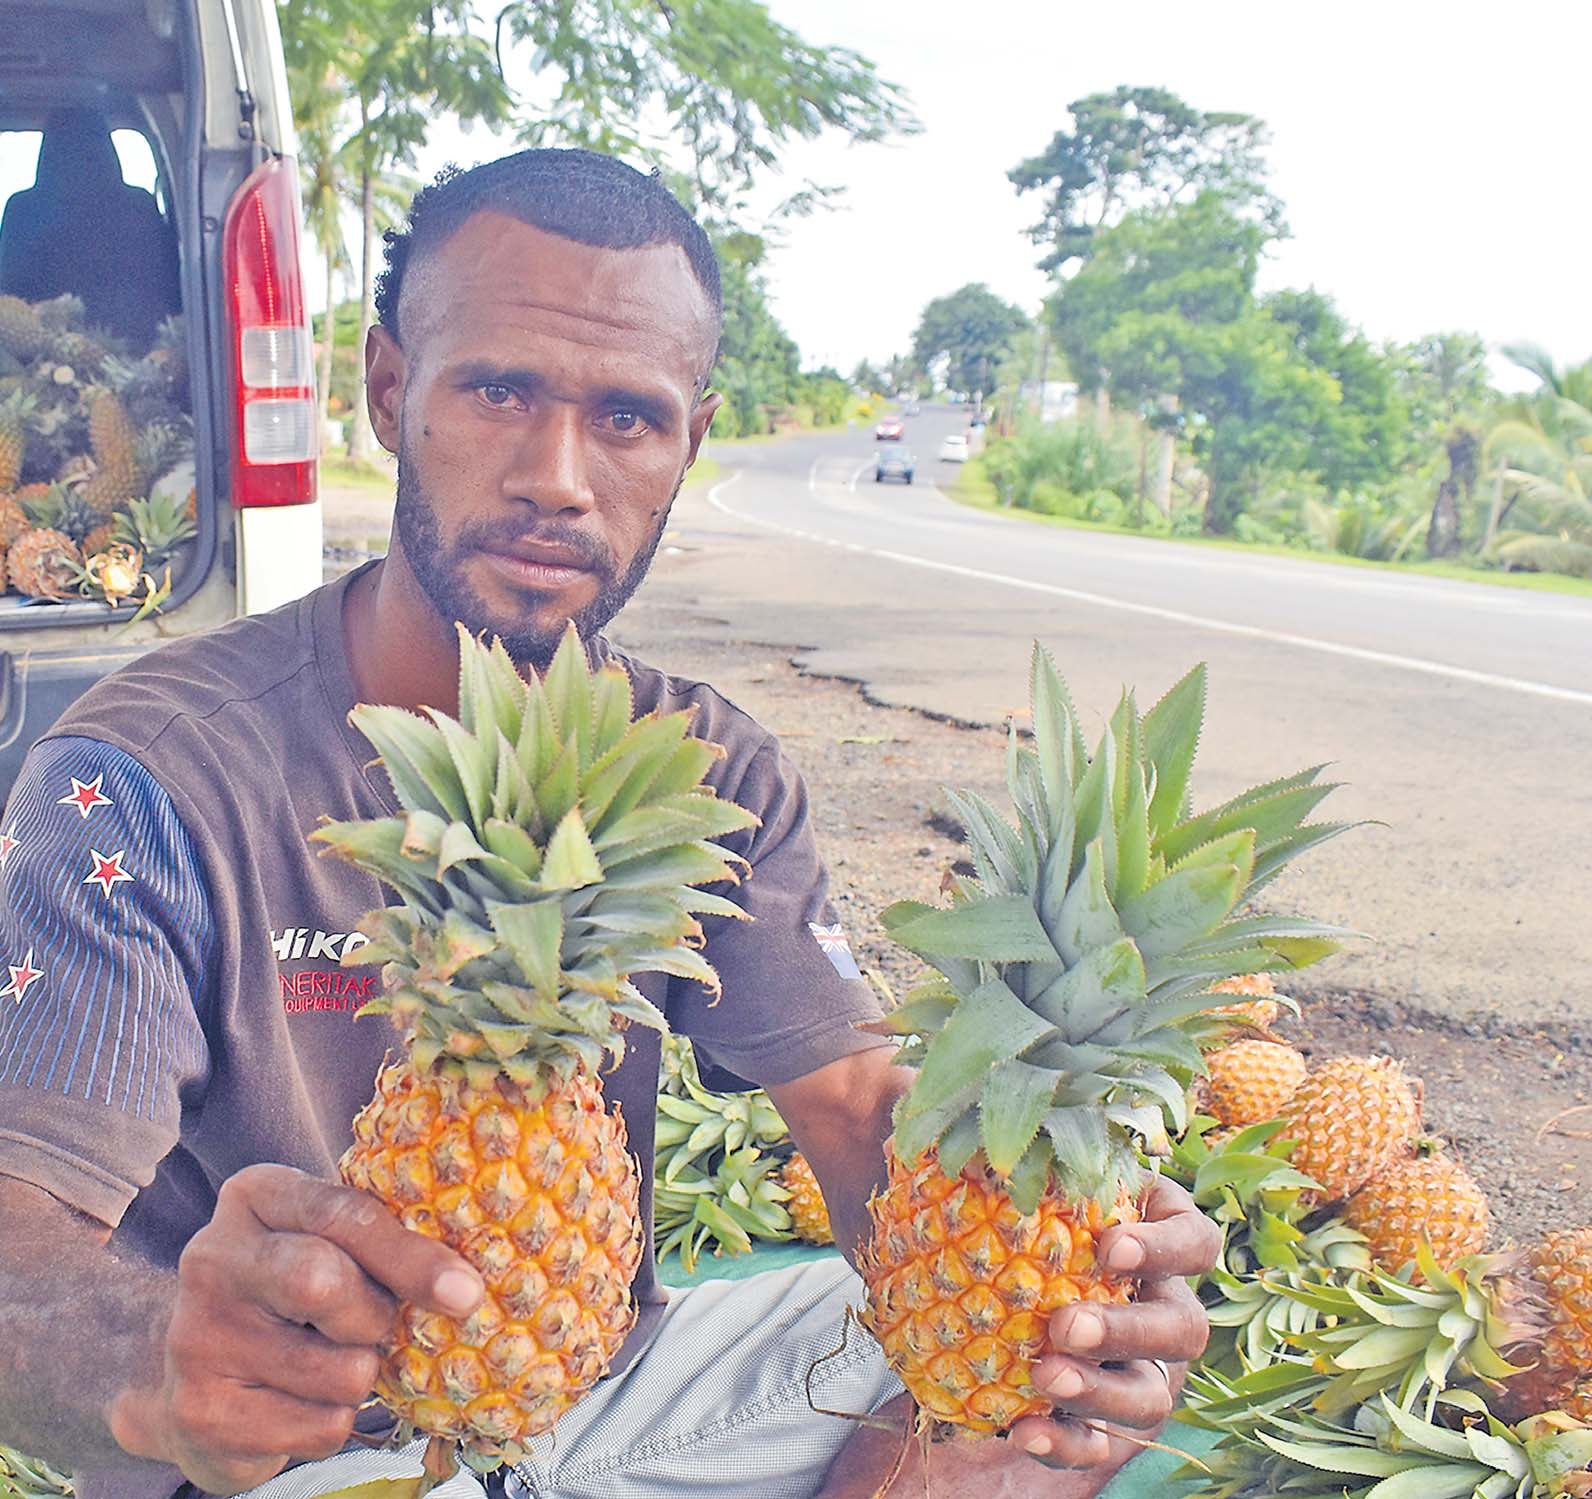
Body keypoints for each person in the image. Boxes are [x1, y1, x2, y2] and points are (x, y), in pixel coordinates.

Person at [0, 149, 1217, 1499]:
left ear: (689, 441)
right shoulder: (147, 774)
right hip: (296, 1454)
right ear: (393, 390)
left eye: (628, 417)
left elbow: (864, 1114)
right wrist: (155, 1352)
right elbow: (14, 1255)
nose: (558, 477)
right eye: (501, 389)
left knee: (1032, 1370)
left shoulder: (706, 767)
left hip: (607, 1398)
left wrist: (1064, 1257)